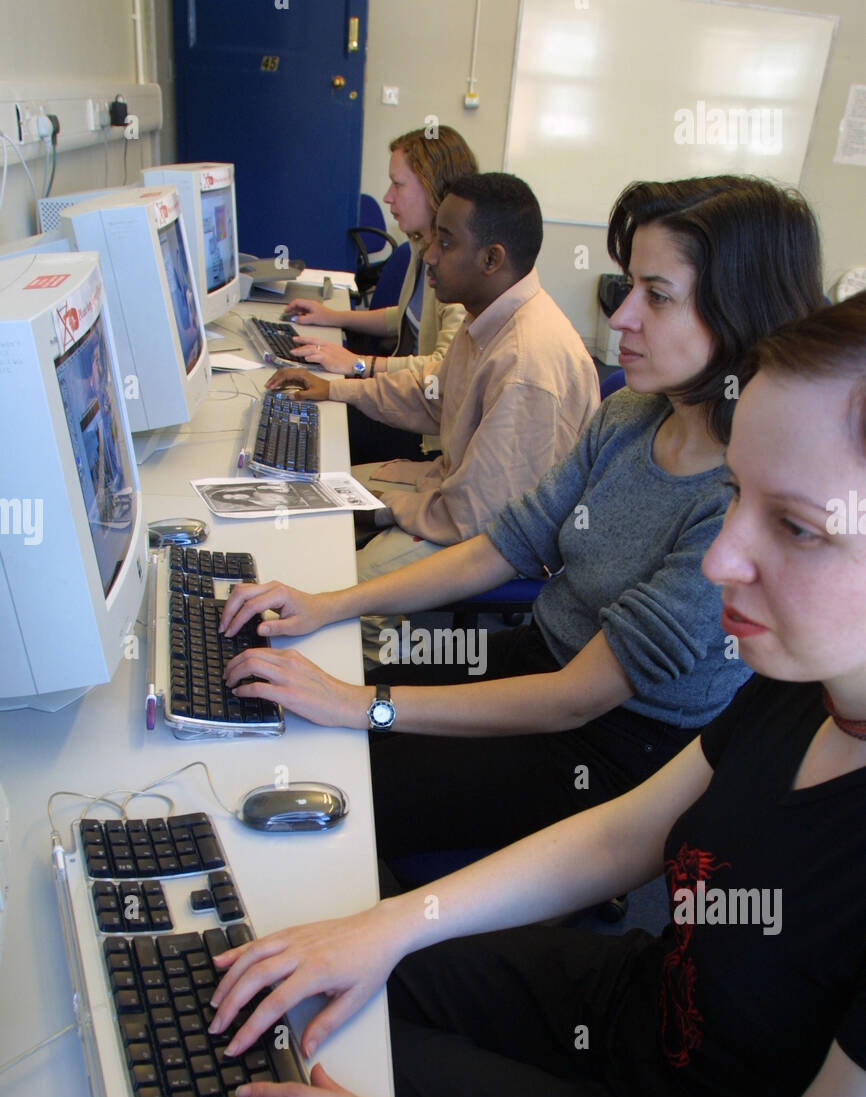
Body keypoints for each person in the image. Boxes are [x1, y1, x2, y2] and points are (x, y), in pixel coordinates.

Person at [209, 292, 866, 1097]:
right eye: (735, 496)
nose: (722, 555)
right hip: (634, 1019)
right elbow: (623, 834)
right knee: (313, 988)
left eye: (794, 526)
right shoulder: (799, 686)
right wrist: (389, 923)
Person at [220, 177, 824, 863]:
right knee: (322, 674)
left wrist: (365, 705)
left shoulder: (734, 502)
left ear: (739, 312)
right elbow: (505, 544)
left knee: (347, 775)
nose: (621, 316)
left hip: (608, 741)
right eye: (630, 287)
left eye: (655, 297)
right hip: (537, 652)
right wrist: (325, 605)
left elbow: (572, 701)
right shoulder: (631, 417)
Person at [266, 172, 600, 647]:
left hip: (488, 539)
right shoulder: (486, 315)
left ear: (492, 258)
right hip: (452, 493)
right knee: (314, 491)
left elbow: (478, 519)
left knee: (333, 597)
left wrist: (385, 510)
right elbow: (433, 397)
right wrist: (335, 390)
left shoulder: (527, 361)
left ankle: (337, 697)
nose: (429, 255)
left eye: (445, 243)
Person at [282, 126, 477, 465]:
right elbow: (400, 316)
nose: (387, 197)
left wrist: (358, 364)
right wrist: (331, 316)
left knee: (313, 430)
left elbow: (441, 368)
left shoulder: (457, 271)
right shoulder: (420, 244)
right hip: (403, 398)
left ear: (432, 189)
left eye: (398, 185)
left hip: (424, 432)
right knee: (303, 415)